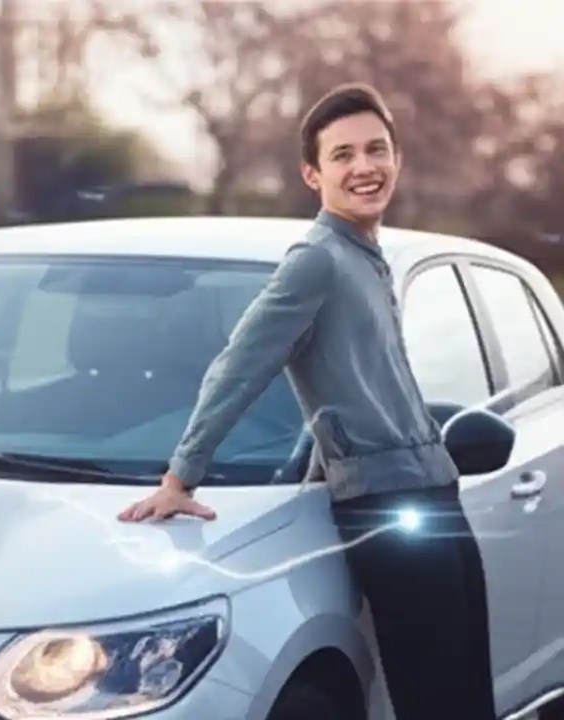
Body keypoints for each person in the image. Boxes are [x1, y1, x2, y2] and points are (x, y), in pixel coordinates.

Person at [115, 83, 496, 719]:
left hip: (435, 492)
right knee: (436, 703)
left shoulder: (369, 257)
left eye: (377, 150)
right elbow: (239, 365)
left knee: (467, 697)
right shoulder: (315, 261)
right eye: (342, 155)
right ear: (311, 174)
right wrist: (182, 475)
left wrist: (330, 444)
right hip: (389, 508)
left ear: (397, 159)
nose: (364, 167)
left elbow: (354, 385)